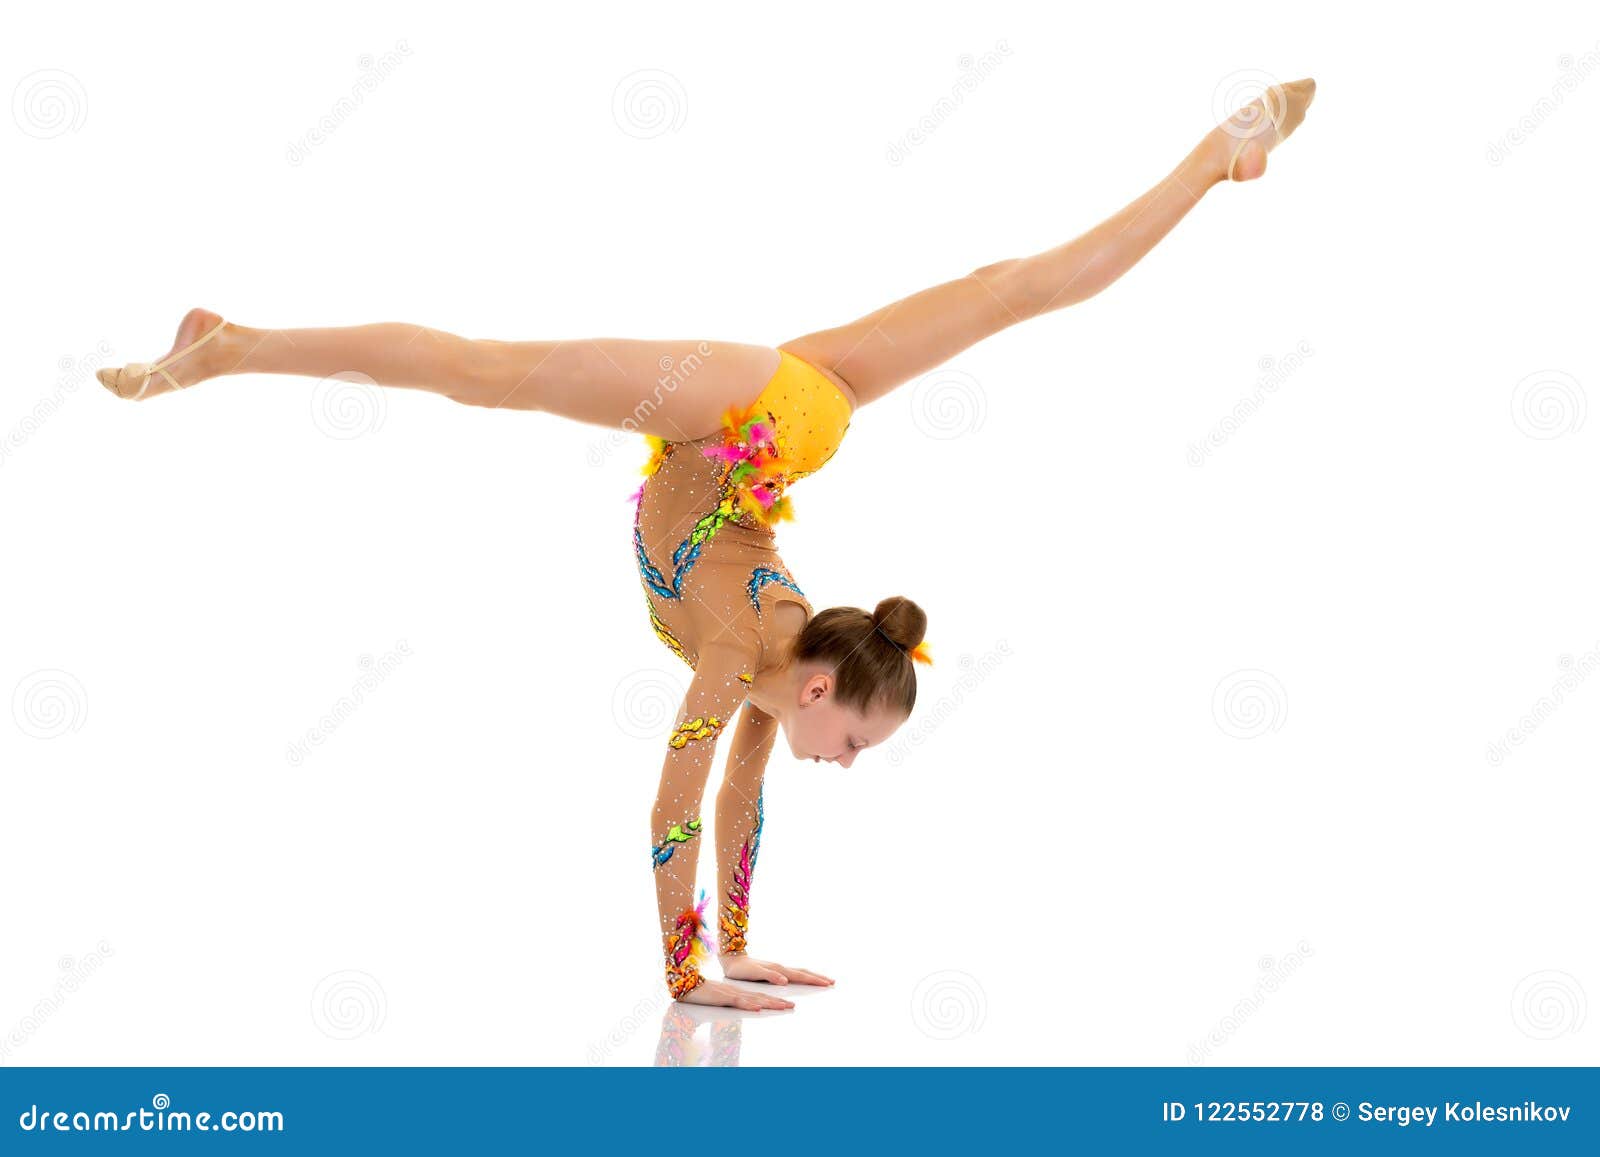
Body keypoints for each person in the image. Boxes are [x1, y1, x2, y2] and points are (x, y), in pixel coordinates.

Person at [96, 79, 1316, 1010]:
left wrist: (733, 947)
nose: (843, 758)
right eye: (850, 738)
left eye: (851, 747)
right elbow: (672, 809)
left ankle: (1223, 150)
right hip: (738, 415)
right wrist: (684, 975)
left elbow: (732, 793)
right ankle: (229, 348)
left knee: (1014, 286)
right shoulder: (738, 655)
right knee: (488, 371)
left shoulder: (772, 669)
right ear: (822, 686)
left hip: (796, 417)